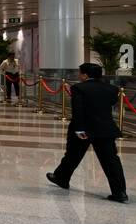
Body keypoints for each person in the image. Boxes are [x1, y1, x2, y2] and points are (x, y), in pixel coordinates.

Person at [47, 63, 128, 202]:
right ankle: (120, 192)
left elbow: (78, 110)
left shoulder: (78, 88)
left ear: (84, 75)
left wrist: (79, 129)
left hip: (84, 128)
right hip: (105, 129)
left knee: (73, 155)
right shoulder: (112, 89)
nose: (79, 75)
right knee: (111, 161)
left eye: (80, 73)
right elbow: (111, 104)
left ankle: (61, 178)